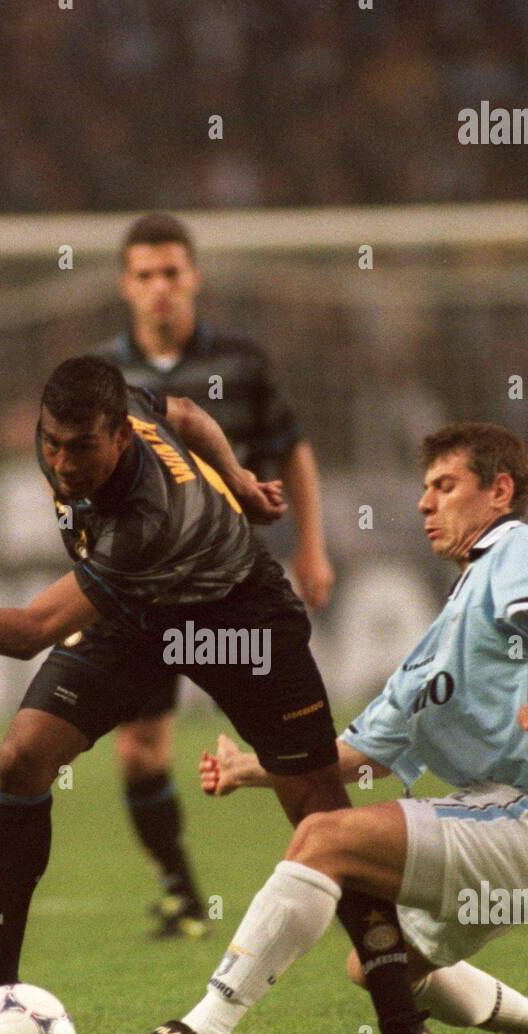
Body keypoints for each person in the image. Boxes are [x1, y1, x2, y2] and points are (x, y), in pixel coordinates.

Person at [0, 357, 431, 1034]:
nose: (63, 463)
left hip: (239, 620)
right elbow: (189, 415)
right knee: (22, 756)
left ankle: (403, 1021)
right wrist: (244, 485)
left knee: (317, 809)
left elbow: (29, 633)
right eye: (51, 442)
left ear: (122, 438)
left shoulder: (147, 516)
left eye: (81, 448)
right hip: (137, 620)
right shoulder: (116, 405)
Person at [122, 423, 528, 1034]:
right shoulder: (443, 637)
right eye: (424, 488)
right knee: (379, 967)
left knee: (326, 837)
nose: (426, 503)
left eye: (445, 485)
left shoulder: (517, 546)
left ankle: (203, 1032)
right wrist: (250, 769)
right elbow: (358, 756)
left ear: (500, 491)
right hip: (508, 836)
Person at [97, 213, 334, 940]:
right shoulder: (104, 377)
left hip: (235, 588)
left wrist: (313, 547)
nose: (161, 288)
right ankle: (180, 891)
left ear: (194, 276)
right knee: (139, 748)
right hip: (141, 590)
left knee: (287, 750)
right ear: (125, 286)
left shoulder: (244, 361)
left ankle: (334, 874)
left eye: (172, 272)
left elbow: (292, 451)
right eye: (145, 275)